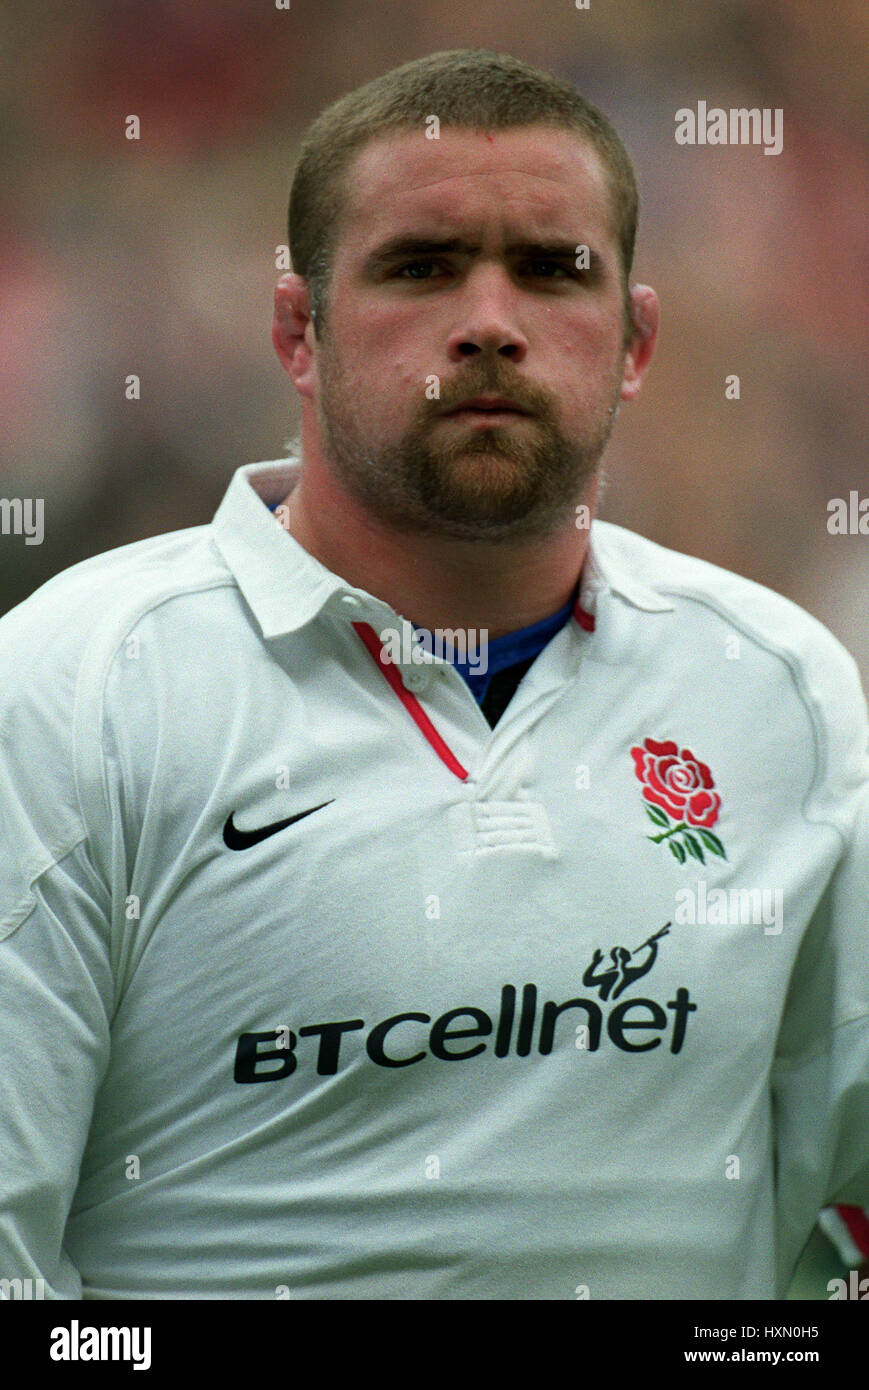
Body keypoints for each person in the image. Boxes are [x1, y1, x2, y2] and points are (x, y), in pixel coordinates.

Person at [0, 49, 866, 1301]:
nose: (490, 322)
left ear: (633, 340)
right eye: (419, 266)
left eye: (552, 270)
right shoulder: (74, 686)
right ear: (298, 331)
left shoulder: (777, 687)